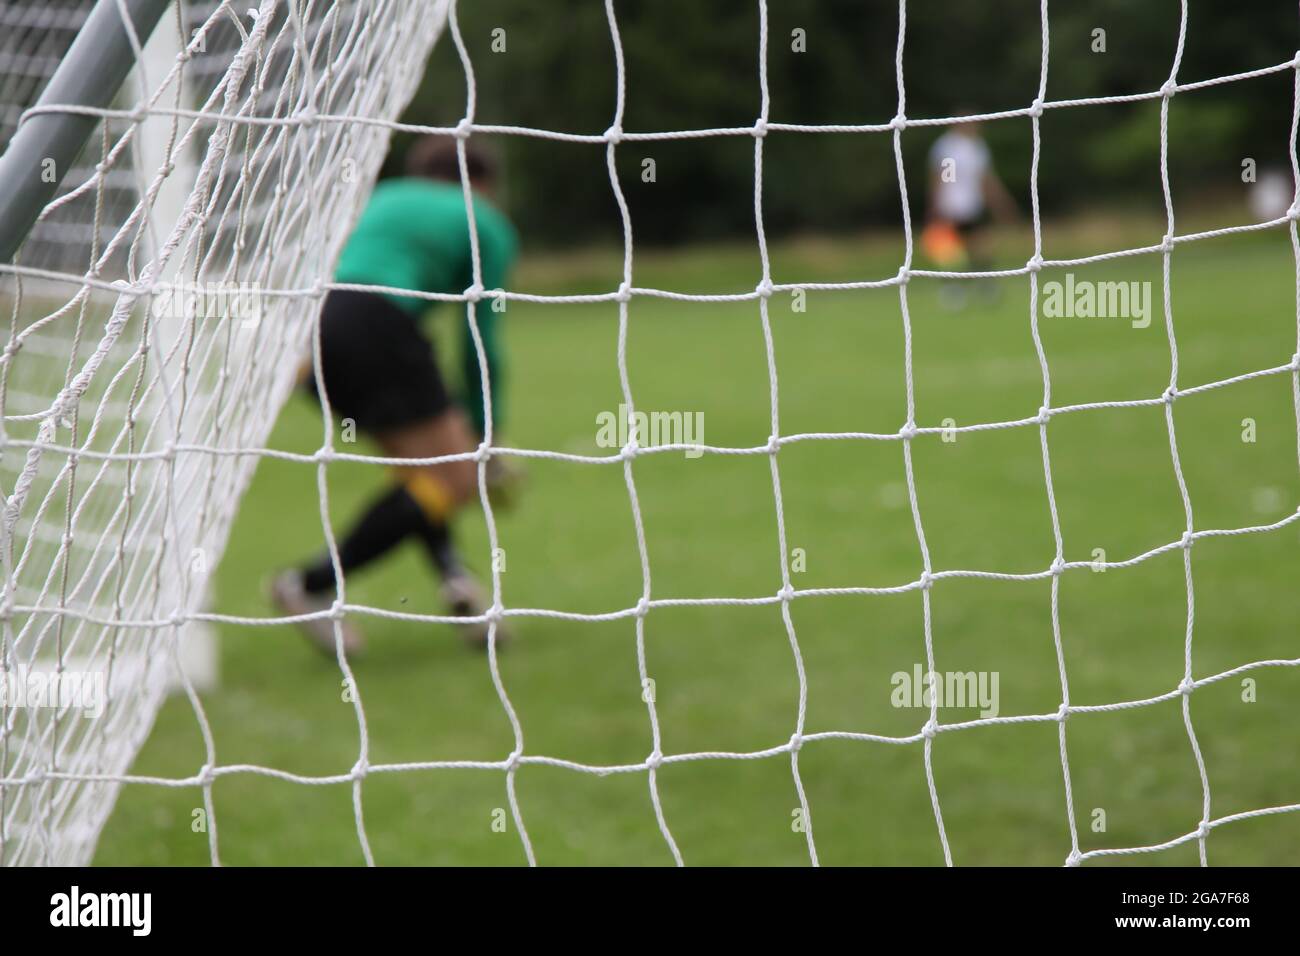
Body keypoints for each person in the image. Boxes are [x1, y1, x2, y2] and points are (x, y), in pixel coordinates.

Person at [271, 135, 517, 656]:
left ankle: (459, 585)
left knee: (421, 475)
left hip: (307, 336)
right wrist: (485, 432)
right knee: (451, 474)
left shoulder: (377, 197)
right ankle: (310, 585)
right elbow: (483, 341)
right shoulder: (485, 220)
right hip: (376, 325)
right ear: (483, 184)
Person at [925, 118, 1017, 305]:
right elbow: (942, 178)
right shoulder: (947, 147)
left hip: (973, 206)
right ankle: (953, 290)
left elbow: (985, 179)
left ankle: (985, 286)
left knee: (980, 248)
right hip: (951, 208)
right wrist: (938, 203)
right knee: (951, 252)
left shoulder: (977, 147)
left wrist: (1000, 203)